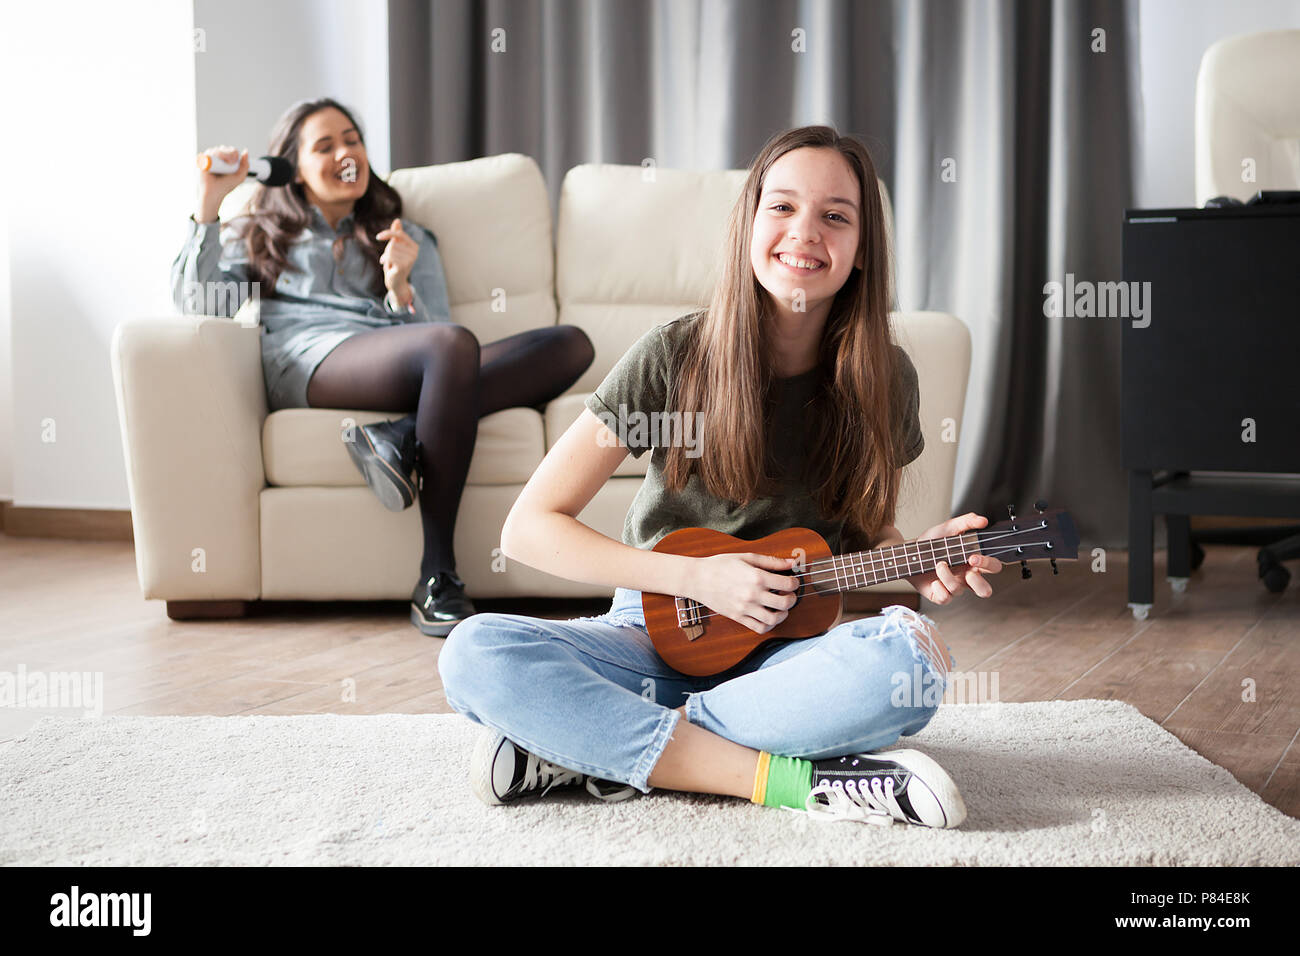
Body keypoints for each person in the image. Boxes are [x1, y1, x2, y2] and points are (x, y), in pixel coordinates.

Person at [437, 125, 1004, 827]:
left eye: (835, 215)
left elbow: (867, 530)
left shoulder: (886, 379)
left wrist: (915, 560)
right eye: (783, 207)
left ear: (862, 252)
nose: (805, 232)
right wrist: (697, 578)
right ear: (749, 223)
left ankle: (591, 744)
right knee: (476, 653)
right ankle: (780, 779)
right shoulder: (673, 355)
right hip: (650, 634)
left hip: (784, 661)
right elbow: (529, 528)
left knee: (909, 662)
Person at [171, 97, 595, 636]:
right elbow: (200, 307)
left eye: (352, 140)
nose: (344, 152)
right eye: (324, 146)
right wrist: (210, 205)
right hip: (309, 358)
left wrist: (399, 289)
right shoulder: (260, 232)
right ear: (293, 170)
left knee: (570, 345)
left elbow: (449, 344)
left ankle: (401, 435)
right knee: (448, 348)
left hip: (405, 360)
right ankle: (438, 574)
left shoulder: (405, 236)